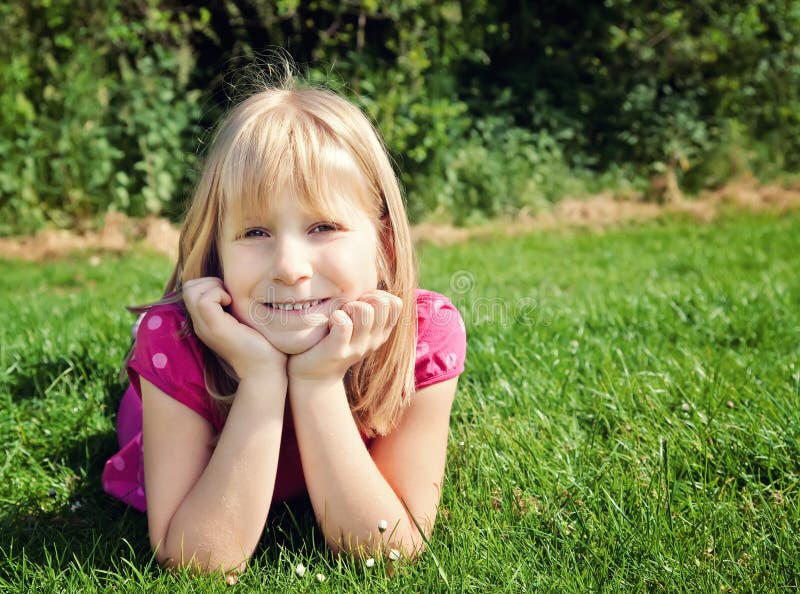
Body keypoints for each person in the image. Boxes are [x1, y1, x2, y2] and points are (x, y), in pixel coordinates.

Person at [101, 72, 466, 575]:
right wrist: (260, 376)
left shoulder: (424, 333)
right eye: (254, 231)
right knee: (132, 406)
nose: (289, 268)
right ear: (216, 254)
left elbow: (391, 550)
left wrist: (317, 383)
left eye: (323, 227)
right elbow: (196, 561)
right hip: (171, 406)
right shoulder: (177, 343)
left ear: (382, 244)